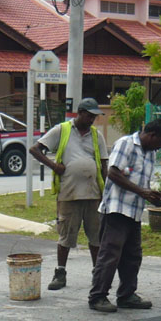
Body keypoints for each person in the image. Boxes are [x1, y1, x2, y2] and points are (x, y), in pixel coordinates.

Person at [88, 118, 161, 313]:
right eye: (160, 141)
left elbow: (141, 184)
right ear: (152, 135)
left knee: (133, 256)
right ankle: (98, 297)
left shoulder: (150, 154)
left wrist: (152, 196)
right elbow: (113, 173)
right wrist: (142, 192)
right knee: (110, 255)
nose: (160, 146)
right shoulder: (125, 144)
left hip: (134, 212)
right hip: (116, 210)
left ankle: (126, 295)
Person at [29, 98, 109, 290]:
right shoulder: (62, 130)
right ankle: (60, 273)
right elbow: (35, 149)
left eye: (94, 117)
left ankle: (97, 275)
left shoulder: (97, 136)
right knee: (65, 236)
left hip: (93, 194)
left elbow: (104, 165)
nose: (92, 120)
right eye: (89, 116)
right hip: (69, 193)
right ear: (79, 113)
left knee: (96, 237)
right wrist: (54, 166)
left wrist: (107, 192)